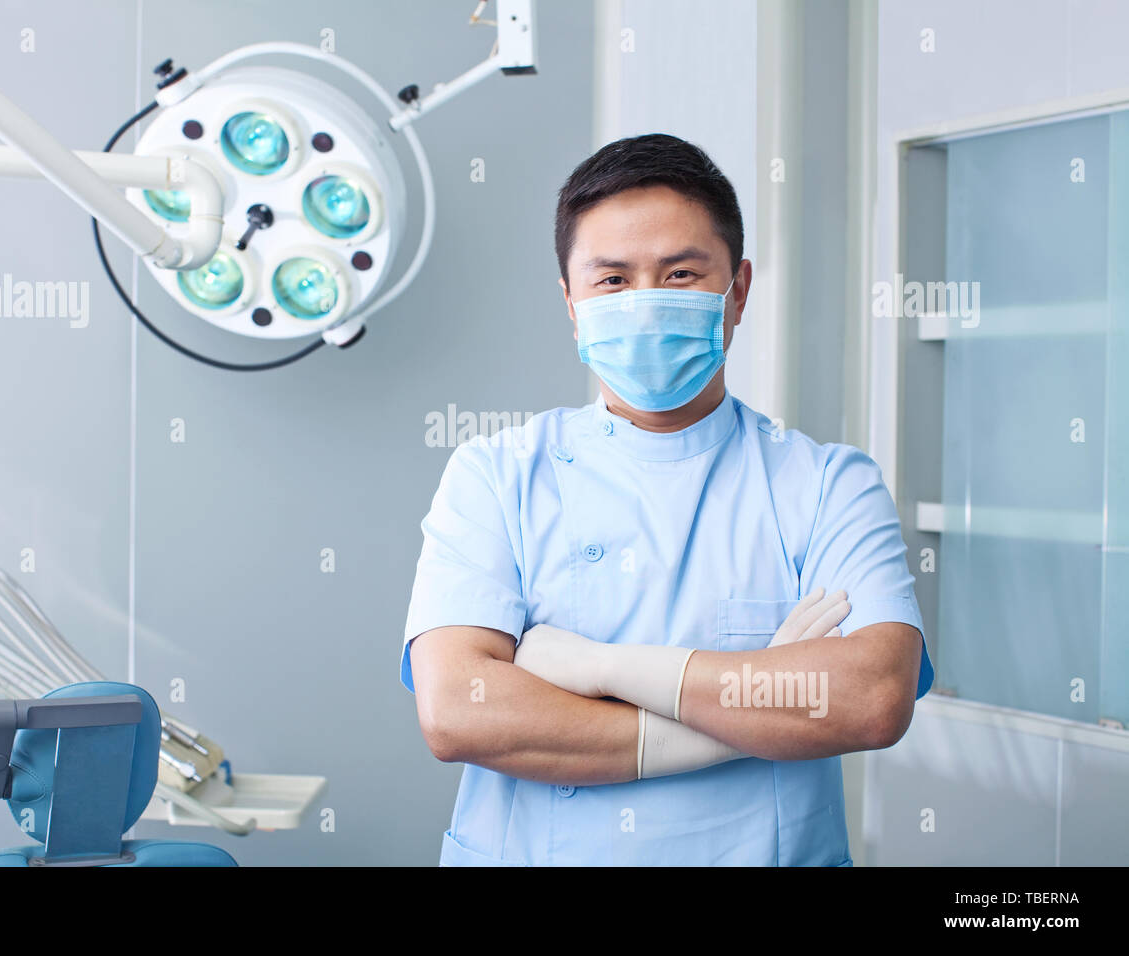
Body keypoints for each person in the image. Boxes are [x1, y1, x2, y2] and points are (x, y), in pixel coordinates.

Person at [399, 133, 933, 866]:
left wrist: (599, 669)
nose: (645, 305)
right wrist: (755, 703)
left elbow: (870, 699)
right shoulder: (496, 475)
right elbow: (462, 711)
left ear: (737, 291)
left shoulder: (828, 485)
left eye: (680, 273)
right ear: (572, 303)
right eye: (612, 281)